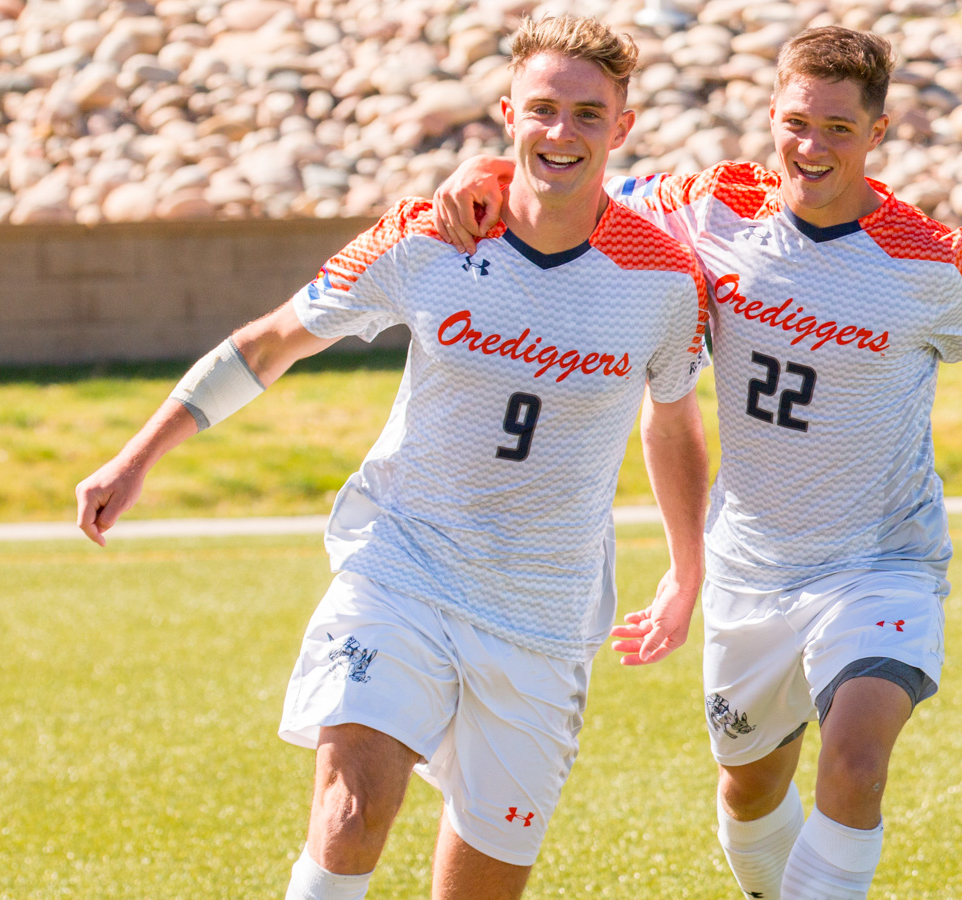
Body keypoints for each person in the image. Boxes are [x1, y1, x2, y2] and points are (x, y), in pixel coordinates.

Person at [434, 25, 962, 900]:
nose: (812, 146)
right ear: (771, 116)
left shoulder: (934, 260)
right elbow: (569, 172)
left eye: (839, 128)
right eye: (798, 122)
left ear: (877, 137)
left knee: (856, 761)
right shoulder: (707, 205)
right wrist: (480, 173)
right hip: (749, 569)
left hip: (882, 565)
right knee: (751, 786)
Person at [74, 16, 711, 900]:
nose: (561, 134)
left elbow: (672, 422)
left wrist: (687, 572)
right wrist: (137, 456)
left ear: (623, 126)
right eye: (542, 111)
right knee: (347, 812)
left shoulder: (667, 278)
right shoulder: (429, 235)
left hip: (544, 610)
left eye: (587, 115)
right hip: (404, 567)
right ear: (505, 113)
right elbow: (272, 342)